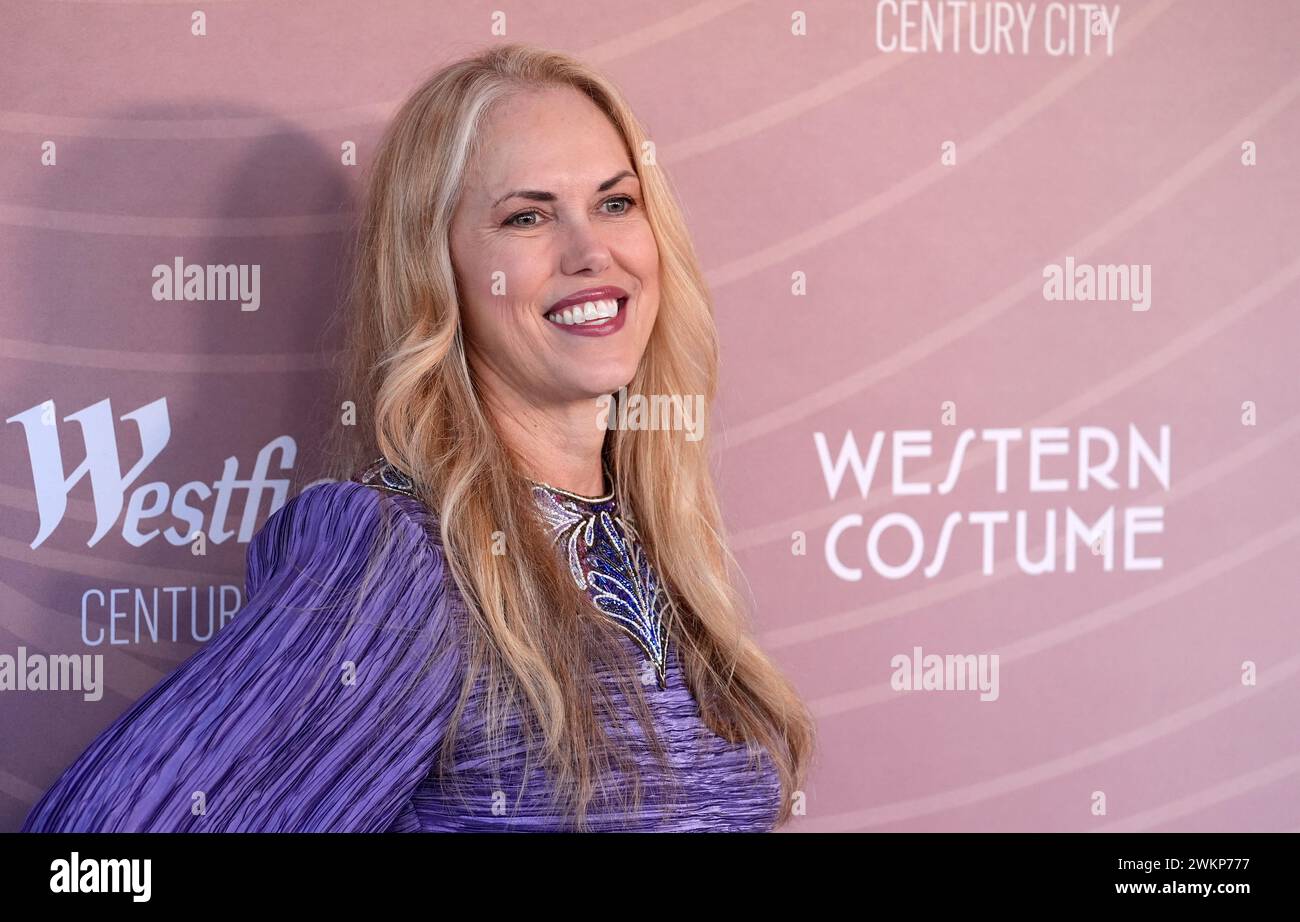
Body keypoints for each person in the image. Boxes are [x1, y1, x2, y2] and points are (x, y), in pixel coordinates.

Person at [22, 42, 815, 833]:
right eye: (527, 216)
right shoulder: (397, 557)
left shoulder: (661, 548)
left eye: (616, 203)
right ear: (438, 270)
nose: (591, 253)